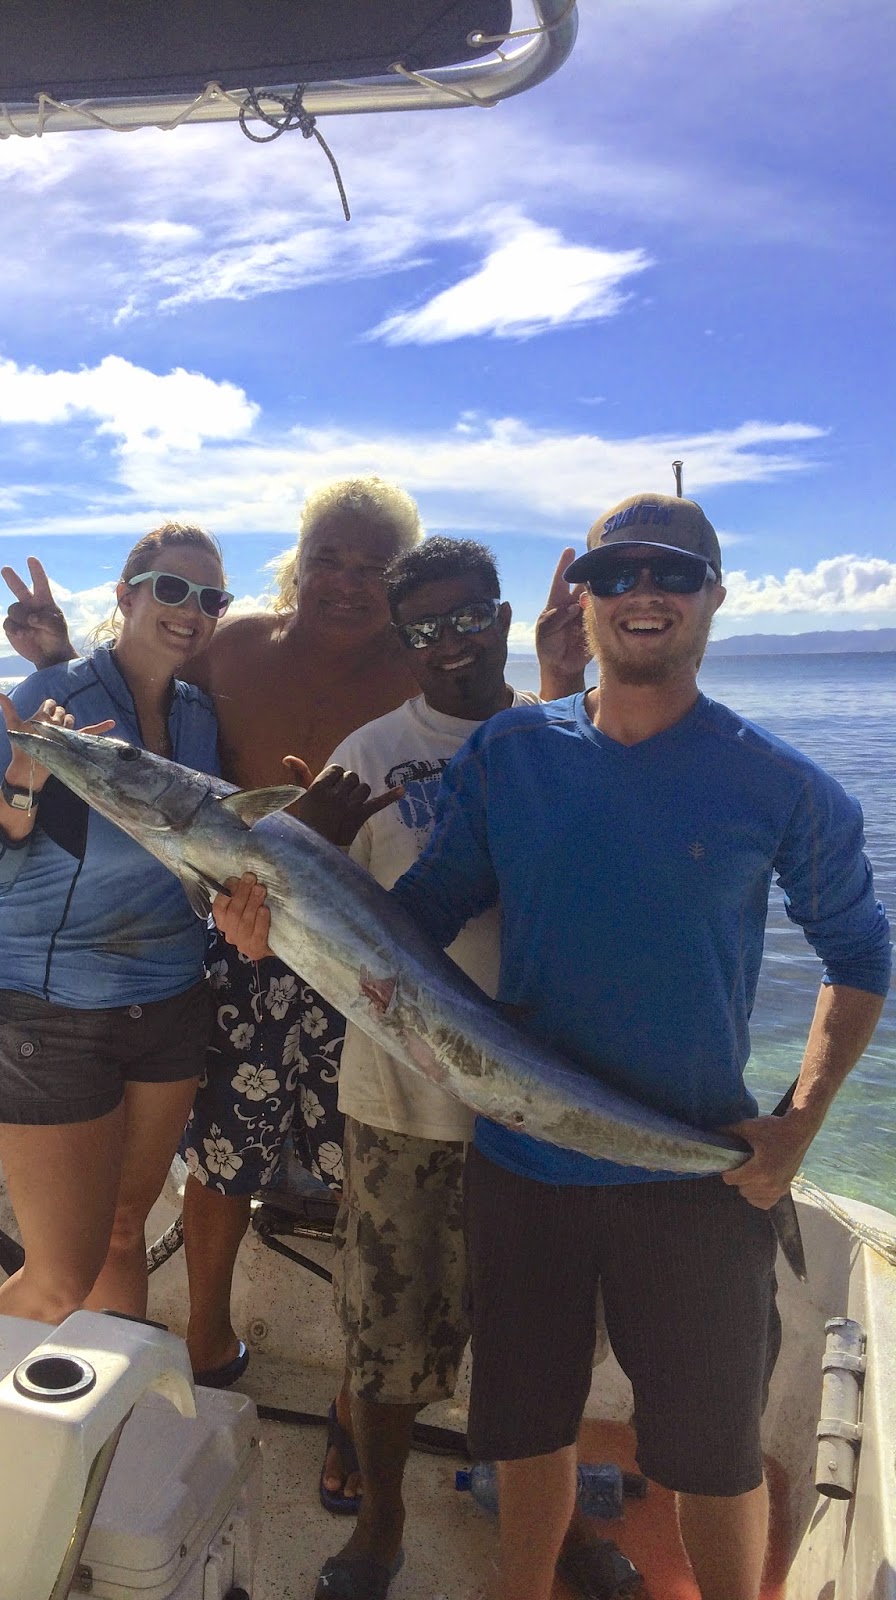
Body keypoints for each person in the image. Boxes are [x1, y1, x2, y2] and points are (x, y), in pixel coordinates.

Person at [214, 492, 890, 1600]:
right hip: (522, 1167)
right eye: (618, 572)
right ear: (584, 596)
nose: (644, 594)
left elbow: (860, 952)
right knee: (525, 1428)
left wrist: (800, 1121)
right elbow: (415, 922)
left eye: (673, 573)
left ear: (716, 596)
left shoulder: (782, 785)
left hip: (697, 1172)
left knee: (714, 1454)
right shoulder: (516, 752)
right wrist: (274, 916)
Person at [0, 478, 586, 1507]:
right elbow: (137, 710)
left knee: (368, 1170)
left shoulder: (422, 657)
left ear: (402, 593)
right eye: (330, 558)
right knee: (224, 1151)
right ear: (297, 565)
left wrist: (555, 672)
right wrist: (53, 662)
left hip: (370, 956)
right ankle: (208, 1332)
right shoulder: (236, 647)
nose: (348, 581)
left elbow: (501, 734)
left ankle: (359, 1407)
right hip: (245, 940)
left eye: (372, 566)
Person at [312, 536, 539, 1600]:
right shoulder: (365, 752)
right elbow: (313, 913)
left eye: (466, 618)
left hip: (538, 1102)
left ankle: (534, 1503)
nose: (449, 644)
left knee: (539, 1330)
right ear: (402, 642)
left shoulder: (561, 736)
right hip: (398, 1096)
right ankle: (384, 1526)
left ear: (500, 617)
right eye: (423, 628)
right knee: (385, 1337)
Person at [0, 522, 231, 1326]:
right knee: (60, 1277)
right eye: (172, 589)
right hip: (50, 1010)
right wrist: (23, 783)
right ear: (126, 595)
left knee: (120, 1236)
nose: (191, 609)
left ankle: (105, 1438)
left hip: (171, 1003)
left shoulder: (202, 719)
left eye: (210, 597)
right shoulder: (47, 706)